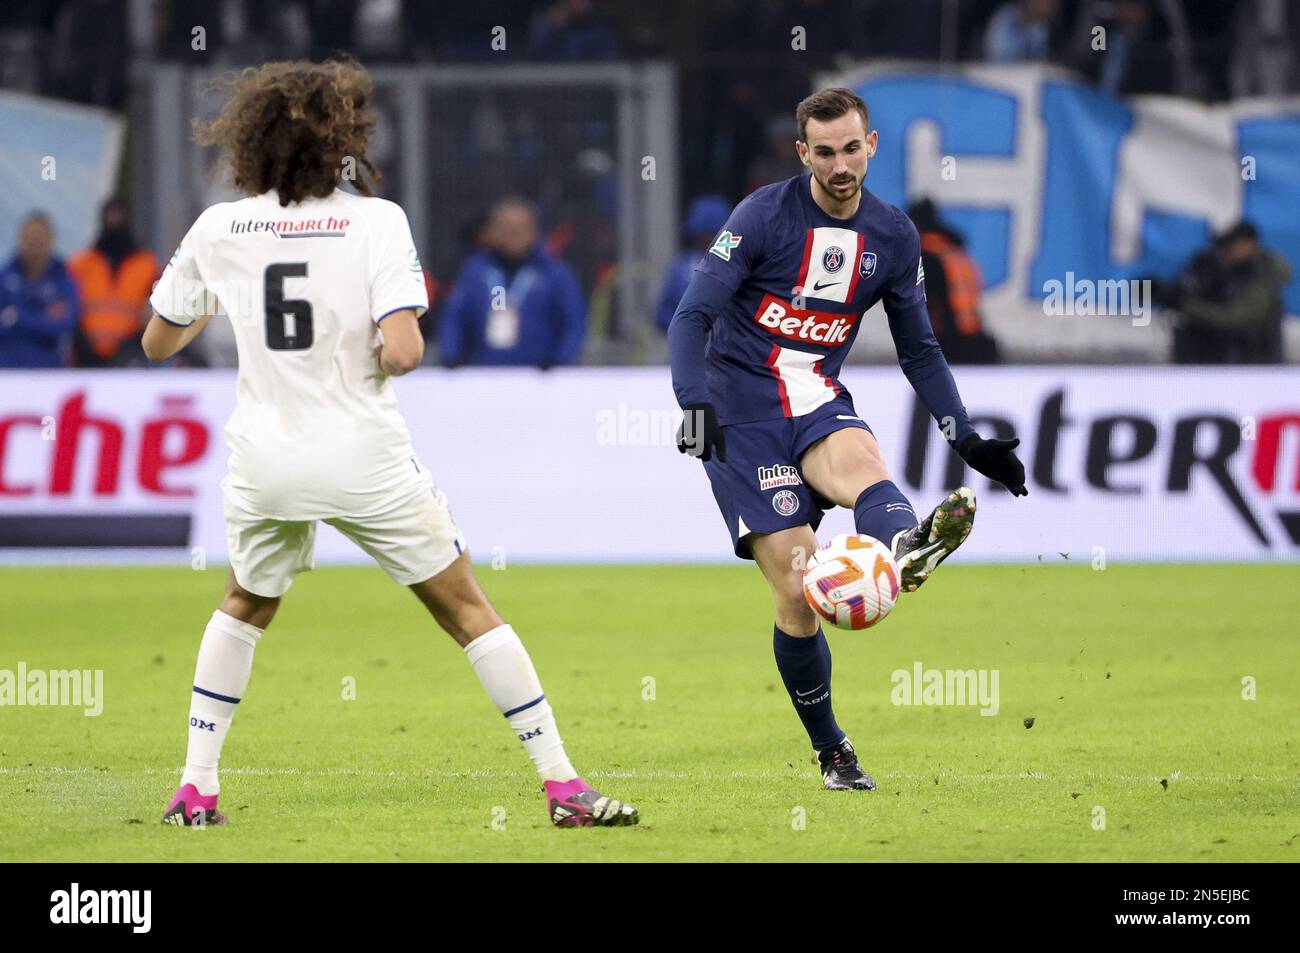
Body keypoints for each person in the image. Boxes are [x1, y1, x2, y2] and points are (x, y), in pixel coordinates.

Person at [142, 59, 637, 829]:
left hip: (266, 460)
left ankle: (195, 788)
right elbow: (404, 350)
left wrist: (230, 301)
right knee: (468, 609)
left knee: (243, 605)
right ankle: (564, 786)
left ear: (253, 142)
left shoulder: (220, 227)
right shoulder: (375, 220)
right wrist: (361, 354)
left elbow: (157, 342)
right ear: (344, 138)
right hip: (361, 454)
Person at [668, 88, 1027, 791]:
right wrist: (694, 403)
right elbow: (690, 317)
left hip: (817, 399)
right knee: (800, 594)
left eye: (850, 148)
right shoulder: (761, 217)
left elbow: (919, 351)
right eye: (824, 151)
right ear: (803, 153)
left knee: (864, 463)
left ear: (872, 146)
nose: (839, 164)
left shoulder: (893, 237)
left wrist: (967, 439)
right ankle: (832, 748)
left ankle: (901, 551)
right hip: (740, 416)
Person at [437, 197, 586, 368]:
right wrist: (451, 356)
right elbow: (454, 316)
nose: (513, 234)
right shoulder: (475, 271)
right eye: (505, 227)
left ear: (534, 231)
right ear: (490, 231)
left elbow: (574, 323)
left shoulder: (555, 274)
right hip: (482, 376)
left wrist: (560, 361)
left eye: (520, 227)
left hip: (540, 378)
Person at [1171, 221, 1290, 364]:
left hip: (1258, 368)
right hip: (1233, 365)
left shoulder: (1264, 276)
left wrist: (1185, 304)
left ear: (1248, 244)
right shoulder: (1229, 273)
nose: (1226, 252)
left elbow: (1237, 319)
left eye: (1231, 246)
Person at [907, 198, 1000, 364]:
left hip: (949, 347)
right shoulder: (955, 252)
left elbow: (924, 305)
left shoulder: (926, 256)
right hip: (977, 341)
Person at [68, 197, 159, 367]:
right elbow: (70, 307)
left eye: (119, 216)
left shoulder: (146, 265)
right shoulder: (81, 264)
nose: (114, 222)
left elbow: (156, 312)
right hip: (86, 352)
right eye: (111, 216)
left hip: (131, 353)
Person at [0, 212, 80, 368]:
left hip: (50, 368)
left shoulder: (63, 278)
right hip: (7, 369)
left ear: (50, 241)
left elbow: (64, 323)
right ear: (21, 240)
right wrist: (43, 318)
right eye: (30, 240)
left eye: (40, 241)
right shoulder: (5, 277)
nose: (35, 247)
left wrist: (18, 318)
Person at [654, 195, 731, 334]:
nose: (706, 240)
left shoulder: (737, 265)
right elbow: (661, 314)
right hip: (691, 345)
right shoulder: (682, 264)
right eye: (702, 235)